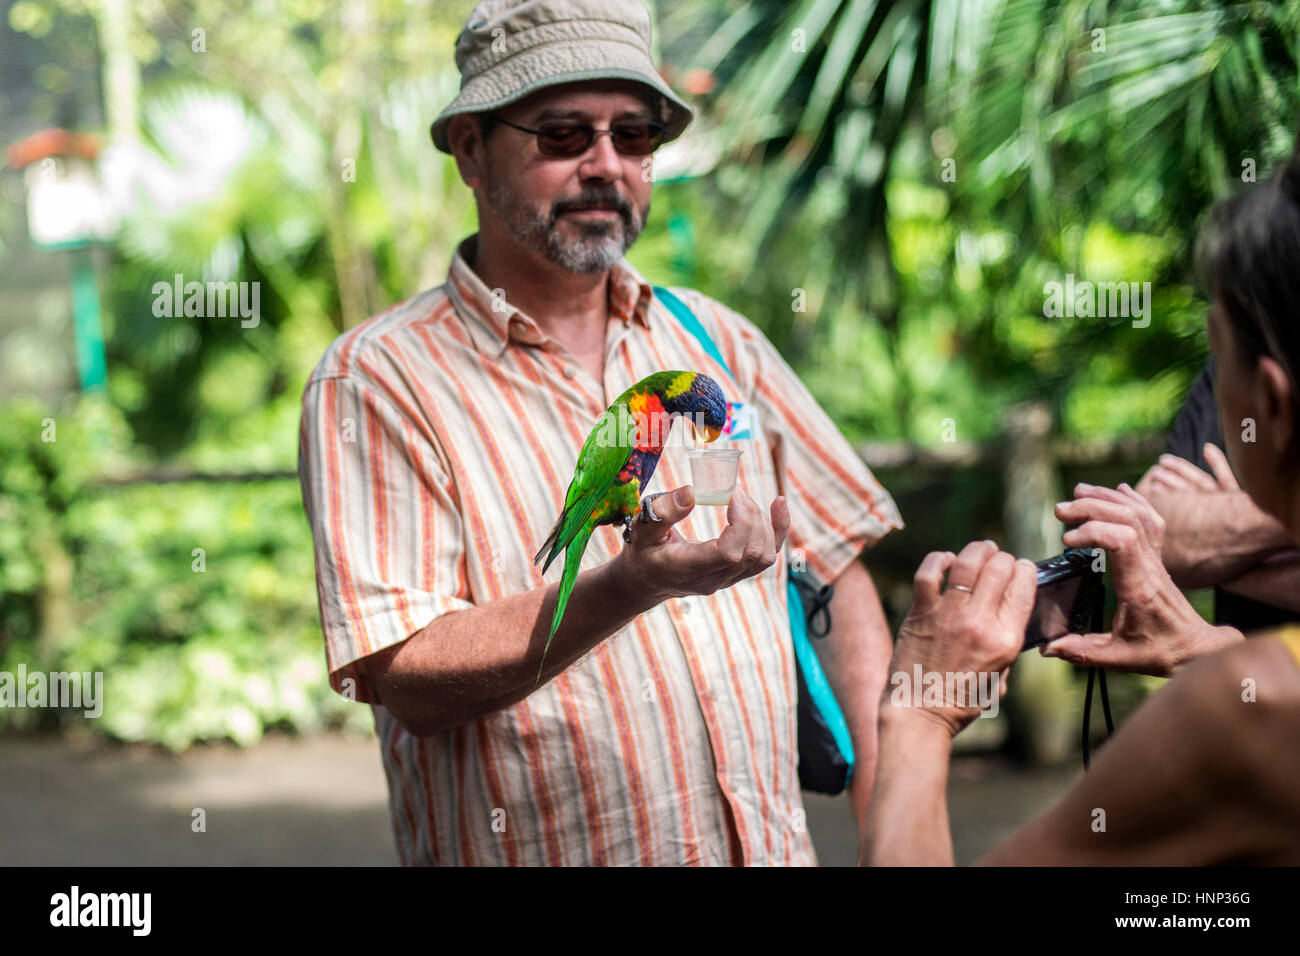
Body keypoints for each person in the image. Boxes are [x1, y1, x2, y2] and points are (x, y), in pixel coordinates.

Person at [297, 0, 902, 866]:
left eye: (635, 135)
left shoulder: (716, 340)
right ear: (471, 149)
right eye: (562, 135)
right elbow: (405, 678)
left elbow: (839, 576)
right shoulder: (377, 380)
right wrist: (623, 586)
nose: (606, 165)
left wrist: (893, 832)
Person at [862, 140, 1300, 864]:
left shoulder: (1247, 714)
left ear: (1275, 409)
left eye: (1219, 358)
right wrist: (1202, 647)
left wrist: (918, 709)